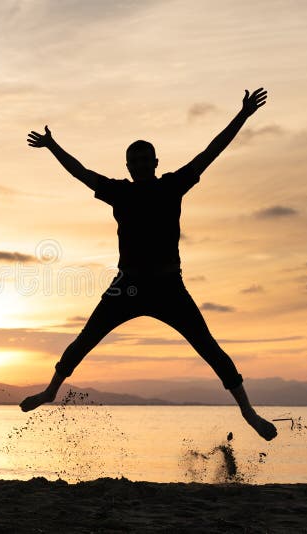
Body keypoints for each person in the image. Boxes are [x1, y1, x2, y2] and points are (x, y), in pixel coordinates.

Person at [20, 89, 277, 440]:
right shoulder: (119, 191)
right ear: (128, 166)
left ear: (155, 163)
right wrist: (53, 147)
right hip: (127, 286)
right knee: (84, 340)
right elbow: (81, 173)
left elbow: (211, 152)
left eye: (146, 160)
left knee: (209, 348)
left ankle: (248, 411)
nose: (141, 165)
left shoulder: (173, 185)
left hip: (169, 287)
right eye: (135, 161)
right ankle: (51, 391)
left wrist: (243, 115)